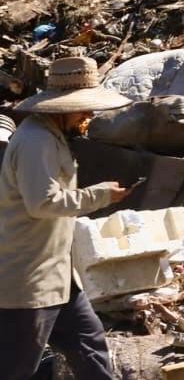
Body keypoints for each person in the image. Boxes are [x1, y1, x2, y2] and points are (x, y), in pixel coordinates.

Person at [0, 56, 131, 380]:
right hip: (29, 281)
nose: (89, 116)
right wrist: (99, 196)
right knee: (17, 368)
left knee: (90, 344)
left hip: (57, 276)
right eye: (84, 109)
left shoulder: (52, 136)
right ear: (62, 107)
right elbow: (42, 203)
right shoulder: (36, 141)